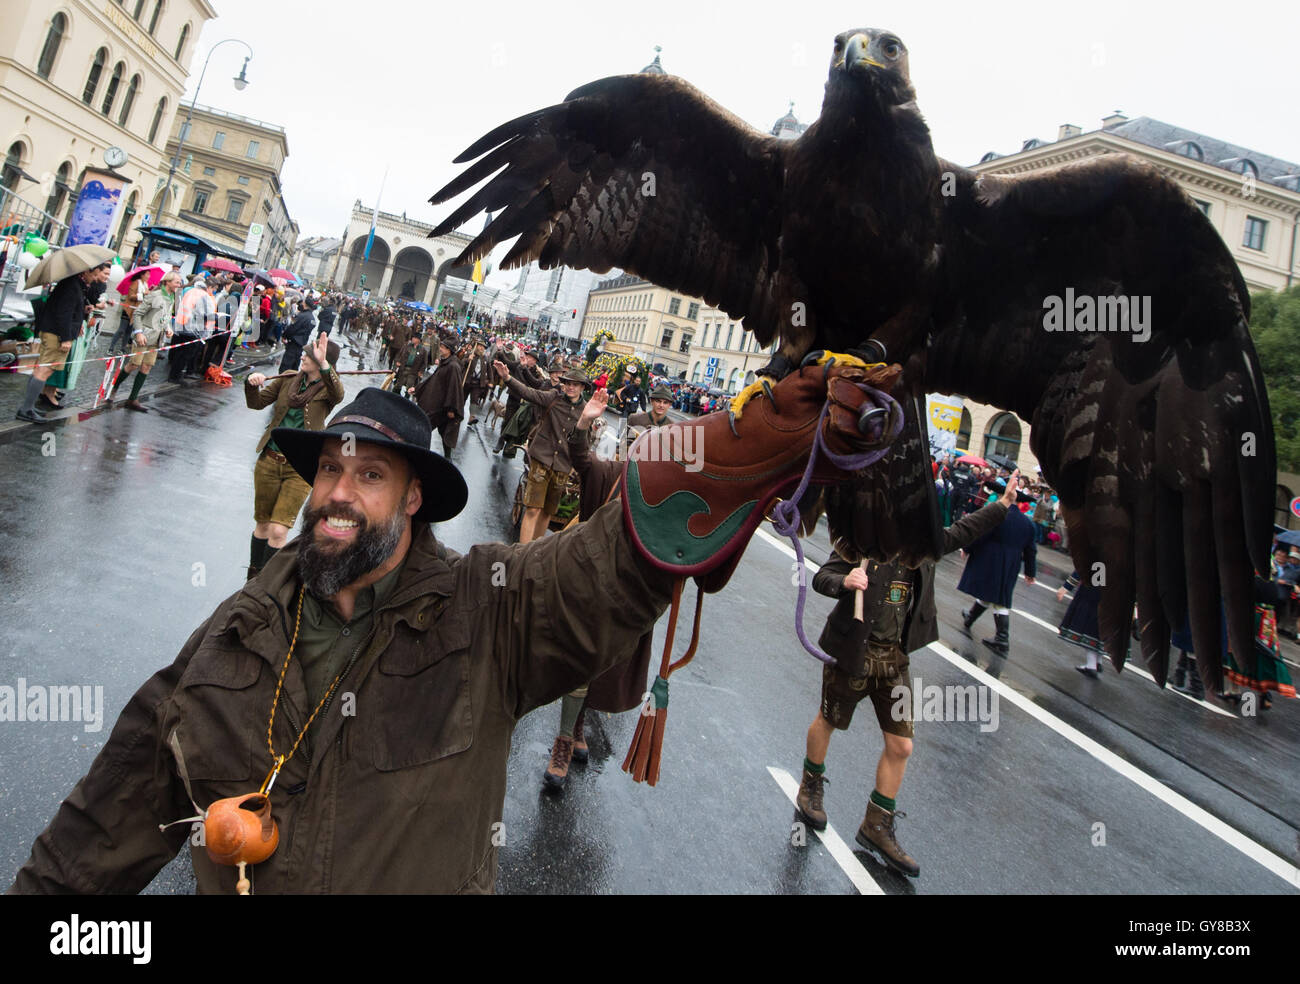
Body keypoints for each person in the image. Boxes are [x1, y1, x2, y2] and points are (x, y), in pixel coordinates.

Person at [8, 360, 886, 894]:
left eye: (371, 476)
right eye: (329, 473)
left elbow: (606, 567)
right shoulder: (232, 633)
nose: (338, 495)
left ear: (416, 498)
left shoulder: (490, 608)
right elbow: (97, 838)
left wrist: (718, 453)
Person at [793, 475, 1018, 877]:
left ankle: (876, 825)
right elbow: (821, 577)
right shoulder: (860, 542)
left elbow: (964, 531)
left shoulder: (923, 548)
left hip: (893, 660)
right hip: (853, 654)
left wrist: (1001, 505)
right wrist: (845, 580)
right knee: (828, 720)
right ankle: (810, 786)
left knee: (901, 746)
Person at [244, 333, 344, 578]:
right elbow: (256, 403)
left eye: (308, 354)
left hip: (300, 468)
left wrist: (323, 365)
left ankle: (267, 583)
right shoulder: (288, 379)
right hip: (269, 460)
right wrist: (251, 383)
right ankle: (253, 577)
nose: (303, 356)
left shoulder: (327, 391)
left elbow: (338, 393)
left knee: (279, 531)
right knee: (263, 524)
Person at [494, 359, 589, 543]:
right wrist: (507, 378)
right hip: (541, 457)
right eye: (567, 383)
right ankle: (523, 551)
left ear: (582, 387)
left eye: (575, 385)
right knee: (533, 508)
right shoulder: (553, 396)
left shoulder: (586, 411)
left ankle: (536, 548)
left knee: (547, 511)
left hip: (563, 464)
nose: (570, 388)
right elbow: (529, 393)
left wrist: (579, 465)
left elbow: (584, 442)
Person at [15, 261, 112, 422]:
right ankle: (26, 409)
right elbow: (63, 314)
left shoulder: (74, 284)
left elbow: (68, 309)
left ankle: (28, 407)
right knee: (44, 370)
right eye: (94, 274)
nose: (95, 278)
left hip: (53, 331)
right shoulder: (71, 285)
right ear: (86, 271)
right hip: (56, 333)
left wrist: (83, 310)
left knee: (43, 368)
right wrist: (66, 338)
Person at [957, 474, 1037, 657]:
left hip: (991, 559)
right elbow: (1031, 550)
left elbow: (980, 533)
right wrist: (1030, 572)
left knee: (998, 599)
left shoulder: (997, 514)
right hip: (1012, 563)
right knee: (993, 593)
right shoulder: (1027, 524)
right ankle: (970, 617)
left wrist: (967, 548)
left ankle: (1002, 638)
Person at [109, 270, 180, 413]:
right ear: (168, 282)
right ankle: (114, 388)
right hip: (144, 335)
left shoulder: (171, 297)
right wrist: (139, 332)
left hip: (157, 338)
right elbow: (137, 314)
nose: (179, 284)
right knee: (134, 364)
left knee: (147, 366)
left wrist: (168, 328)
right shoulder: (155, 295)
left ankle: (133, 399)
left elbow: (165, 317)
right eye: (177, 282)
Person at [414, 339, 464, 455]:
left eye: (442, 347)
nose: (440, 348)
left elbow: (454, 388)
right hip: (436, 402)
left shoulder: (453, 366)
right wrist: (417, 389)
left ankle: (421, 453)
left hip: (441, 406)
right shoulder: (445, 362)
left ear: (449, 350)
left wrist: (452, 408)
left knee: (427, 428)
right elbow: (433, 379)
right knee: (442, 431)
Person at [279, 297, 317, 374]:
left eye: (303, 302)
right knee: (294, 368)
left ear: (305, 304)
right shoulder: (312, 318)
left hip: (293, 344)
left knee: (285, 368)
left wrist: (284, 336)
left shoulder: (302, 316)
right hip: (301, 346)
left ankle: (282, 384)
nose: (301, 303)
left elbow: (292, 328)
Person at [393, 332, 428, 398]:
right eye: (413, 337)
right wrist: (397, 362)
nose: (412, 339)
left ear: (418, 340)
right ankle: (395, 397)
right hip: (403, 369)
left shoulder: (423, 351)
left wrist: (421, 371)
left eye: (414, 338)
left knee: (409, 387)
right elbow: (399, 355)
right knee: (398, 385)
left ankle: (406, 400)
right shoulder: (406, 346)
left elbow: (424, 363)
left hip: (413, 371)